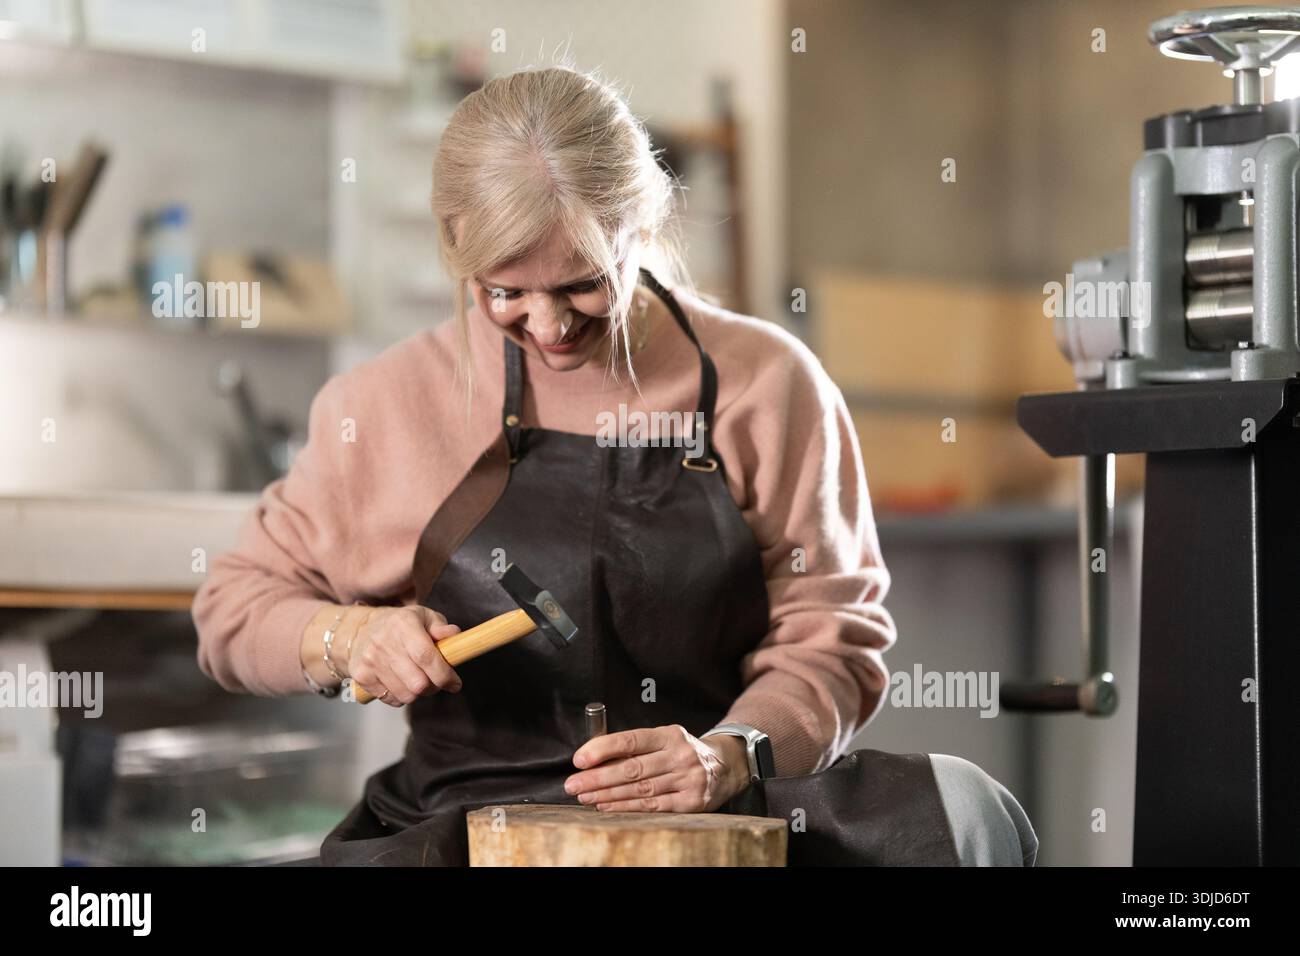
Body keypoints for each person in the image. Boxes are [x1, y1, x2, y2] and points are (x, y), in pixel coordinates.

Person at [192, 63, 1037, 867]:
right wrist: (348, 636)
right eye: (506, 293)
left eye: (586, 284)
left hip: (720, 796)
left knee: (959, 814)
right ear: (456, 250)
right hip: (467, 814)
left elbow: (832, 642)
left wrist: (730, 757)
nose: (552, 325)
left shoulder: (768, 384)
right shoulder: (381, 405)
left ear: (646, 223)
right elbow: (232, 612)